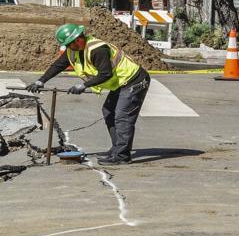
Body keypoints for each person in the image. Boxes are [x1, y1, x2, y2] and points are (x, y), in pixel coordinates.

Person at [28, 24, 150, 166]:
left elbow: (105, 73)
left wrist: (83, 85)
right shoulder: (72, 51)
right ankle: (117, 148)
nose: (67, 47)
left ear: (78, 40)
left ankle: (122, 156)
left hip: (134, 80)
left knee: (122, 116)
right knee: (108, 111)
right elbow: (58, 65)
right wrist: (41, 81)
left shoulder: (97, 49)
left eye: (69, 44)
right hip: (120, 83)